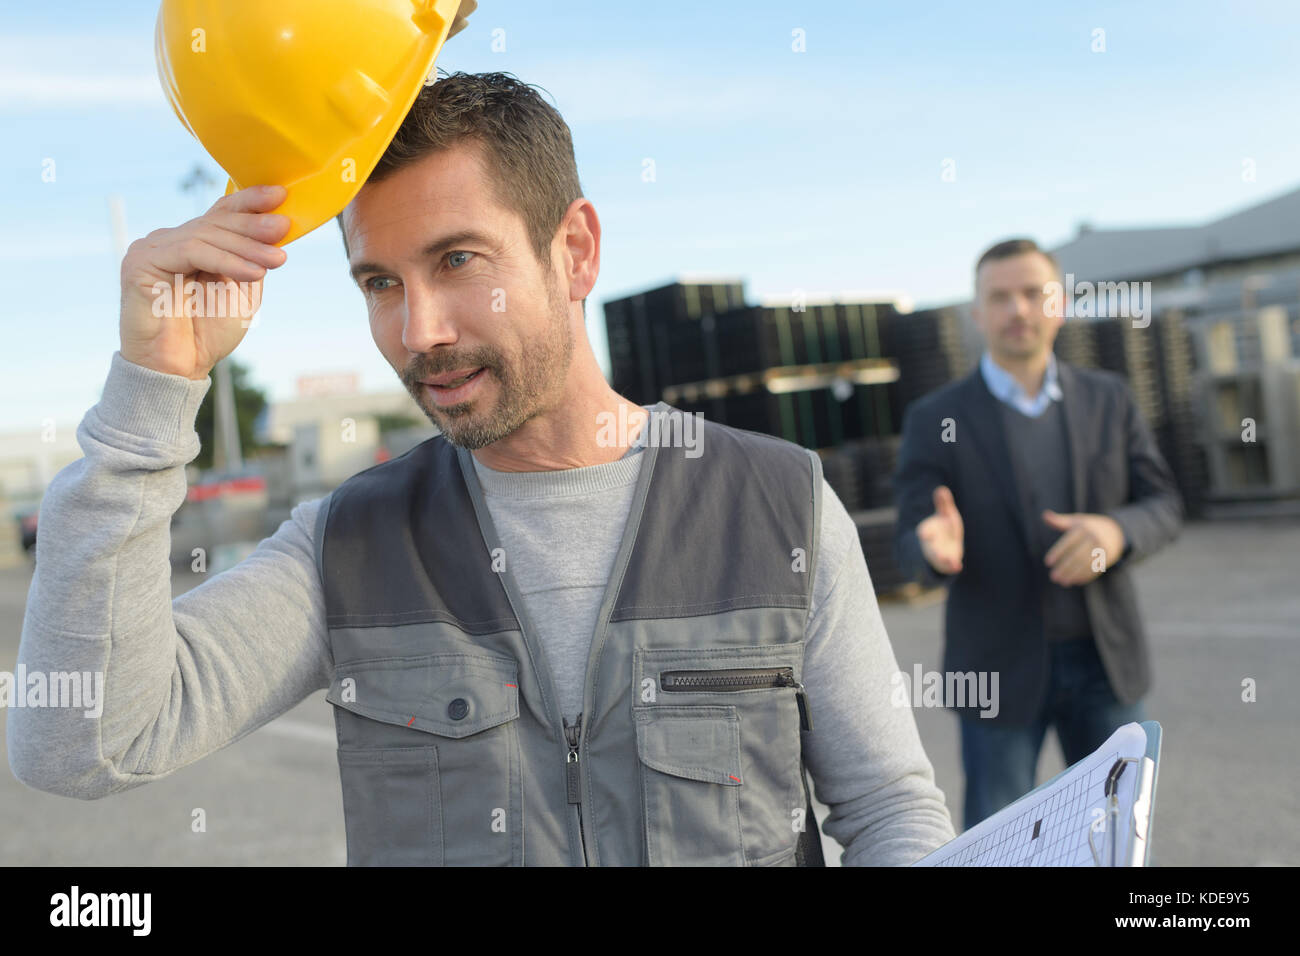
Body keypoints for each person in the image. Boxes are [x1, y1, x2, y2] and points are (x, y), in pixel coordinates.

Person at [9, 72, 954, 866]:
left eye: (458, 260)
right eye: (381, 283)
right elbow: (84, 743)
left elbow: (888, 814)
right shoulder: (349, 545)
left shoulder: (776, 505)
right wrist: (153, 387)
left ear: (574, 250)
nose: (419, 332)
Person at [893, 237, 1183, 830]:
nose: (1018, 309)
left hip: (1107, 664)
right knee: (999, 837)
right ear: (976, 314)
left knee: (1119, 831)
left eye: (1033, 293)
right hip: (996, 670)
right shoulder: (936, 419)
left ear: (1060, 304)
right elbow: (910, 533)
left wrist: (1115, 531)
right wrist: (931, 546)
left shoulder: (1110, 398)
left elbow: (1165, 504)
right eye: (1000, 297)